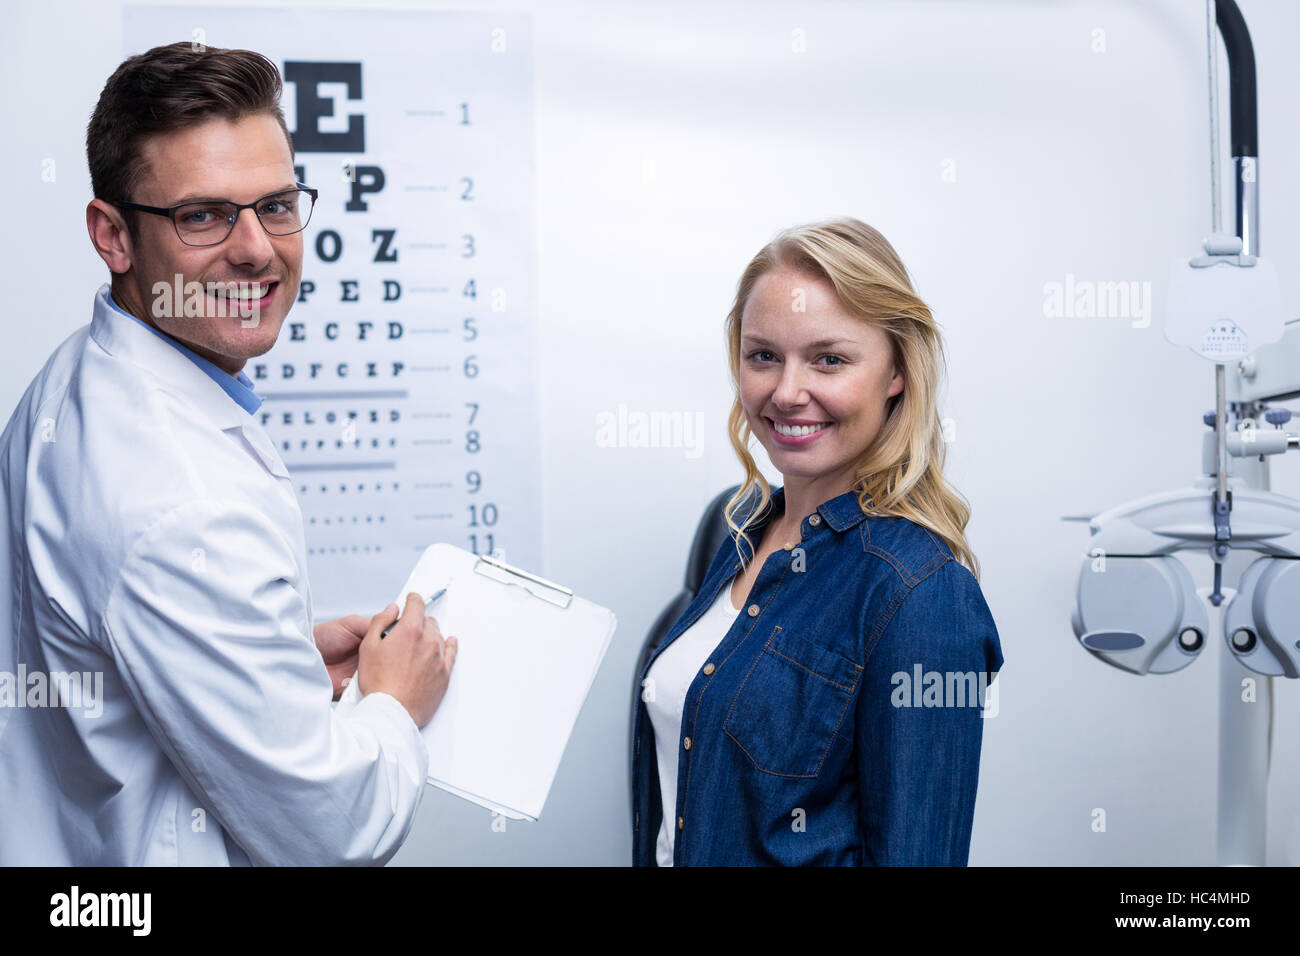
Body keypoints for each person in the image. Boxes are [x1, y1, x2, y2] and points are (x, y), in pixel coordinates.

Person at [0, 42, 456, 865]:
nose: (255, 249)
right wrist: (393, 703)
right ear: (113, 236)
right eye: (203, 216)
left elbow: (118, 656)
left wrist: (269, 659)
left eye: (277, 205)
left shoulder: (76, 376)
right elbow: (332, 832)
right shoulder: (183, 502)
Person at [632, 218, 1004, 865]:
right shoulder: (743, 529)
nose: (785, 392)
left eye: (828, 359)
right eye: (763, 356)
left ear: (896, 372)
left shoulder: (922, 595)